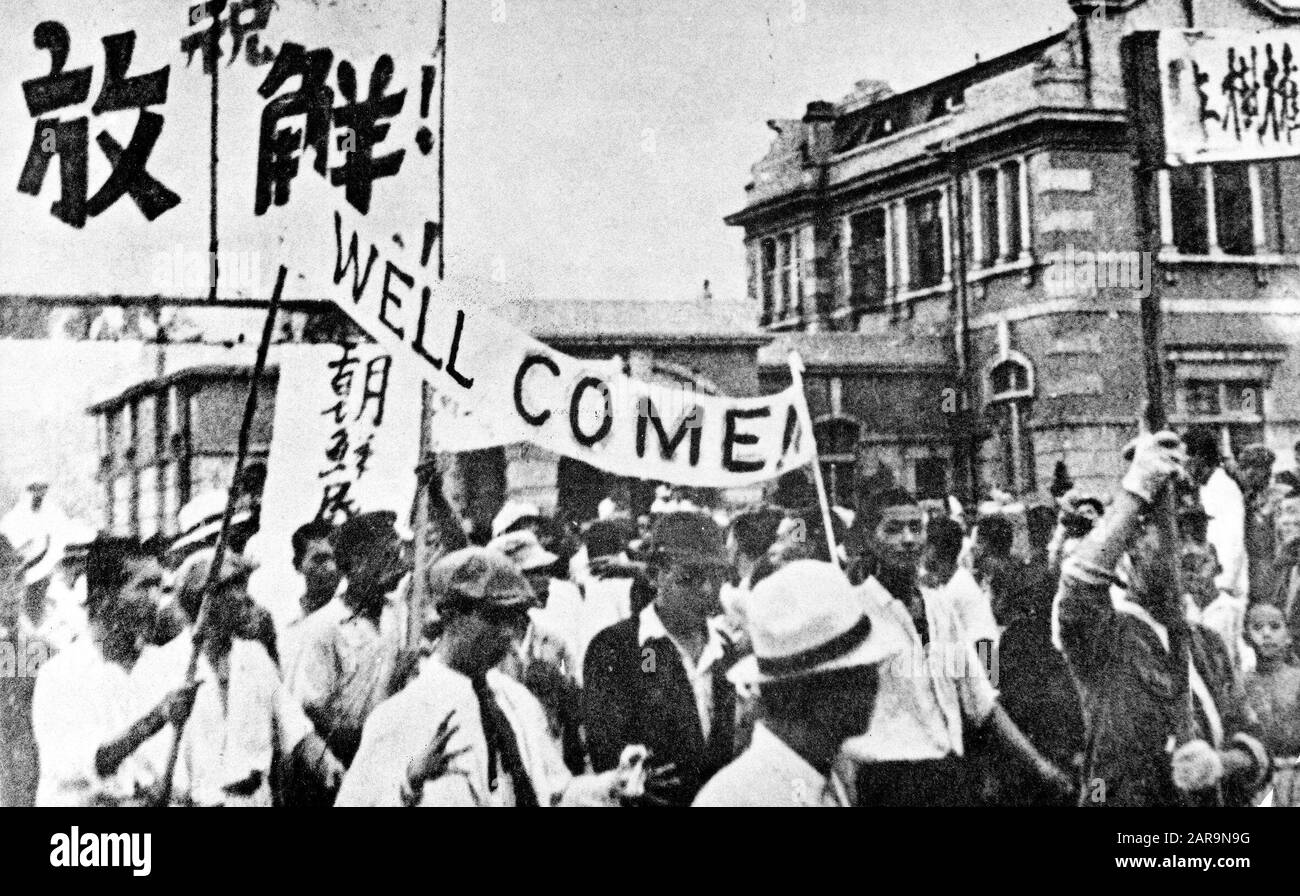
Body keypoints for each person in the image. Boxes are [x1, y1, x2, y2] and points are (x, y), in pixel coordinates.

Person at [1053, 430, 1270, 806]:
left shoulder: (1208, 644)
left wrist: (1221, 763)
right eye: (1170, 532)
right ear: (1131, 546)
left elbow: (1253, 741)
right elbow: (1080, 582)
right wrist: (1136, 489)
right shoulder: (1106, 634)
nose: (1187, 549)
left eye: (1197, 534)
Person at [337, 548, 634, 806]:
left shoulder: (516, 701)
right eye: (493, 617)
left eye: (513, 619)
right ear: (451, 616)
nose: (507, 633)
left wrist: (612, 785)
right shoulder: (402, 714)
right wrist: (408, 785)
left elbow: (555, 792)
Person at [843, 488, 1074, 807]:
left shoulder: (941, 606)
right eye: (893, 529)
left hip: (949, 777)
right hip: (889, 784)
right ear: (869, 537)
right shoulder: (853, 613)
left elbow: (980, 696)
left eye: (915, 527)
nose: (908, 539)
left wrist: (1038, 765)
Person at [131, 549, 344, 806]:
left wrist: (328, 764)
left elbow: (296, 728)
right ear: (206, 600)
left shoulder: (253, 656)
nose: (246, 598)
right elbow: (152, 772)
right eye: (235, 588)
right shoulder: (166, 667)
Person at [693, 560, 907, 807]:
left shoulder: (831, 775)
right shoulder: (736, 798)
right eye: (862, 671)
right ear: (815, 691)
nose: (874, 683)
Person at [583, 512, 742, 806]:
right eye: (689, 578)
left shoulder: (724, 650)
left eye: (715, 577)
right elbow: (608, 753)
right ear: (656, 576)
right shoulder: (617, 649)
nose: (707, 590)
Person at [31, 537, 198, 806]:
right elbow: (89, 761)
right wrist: (156, 718)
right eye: (144, 587)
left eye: (159, 586)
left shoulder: (167, 668)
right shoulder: (61, 675)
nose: (155, 600)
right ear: (103, 599)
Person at [288, 510, 411, 769]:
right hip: (342, 762)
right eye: (387, 556)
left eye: (397, 555)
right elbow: (312, 708)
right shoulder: (323, 627)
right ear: (357, 562)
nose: (397, 565)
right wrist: (369, 739)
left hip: (393, 758)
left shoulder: (400, 614)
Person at [1241, 602, 1300, 806]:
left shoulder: (1296, 679)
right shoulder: (1240, 684)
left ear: (1289, 635)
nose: (1266, 634)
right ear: (1246, 637)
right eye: (1257, 627)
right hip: (1257, 779)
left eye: (1275, 626)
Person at [1183, 426, 1248, 600]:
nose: (1184, 464)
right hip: (1206, 584)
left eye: (1187, 458)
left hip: (1224, 587)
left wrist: (1223, 586)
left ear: (1201, 458)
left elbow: (1232, 542)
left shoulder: (1224, 488)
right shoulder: (1204, 487)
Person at [918, 515, 1000, 651]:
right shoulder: (947, 580)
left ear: (931, 550)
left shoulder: (961, 587)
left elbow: (986, 646)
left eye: (923, 547)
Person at [279, 519, 340, 674]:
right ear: (298, 565)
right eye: (319, 559)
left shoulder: (353, 619)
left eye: (336, 559)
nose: (331, 568)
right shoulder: (286, 629)